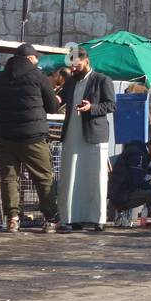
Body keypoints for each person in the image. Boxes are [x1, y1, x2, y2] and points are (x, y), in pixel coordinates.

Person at [0, 42, 61, 233]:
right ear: (31, 59)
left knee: (9, 178)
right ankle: (50, 219)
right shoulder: (39, 77)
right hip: (32, 136)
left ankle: (12, 219)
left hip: (5, 137)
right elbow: (52, 108)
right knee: (43, 177)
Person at [58, 48, 116, 232]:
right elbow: (59, 100)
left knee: (95, 177)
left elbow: (111, 105)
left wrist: (92, 107)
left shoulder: (102, 80)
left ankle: (97, 219)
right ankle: (71, 217)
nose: (74, 69)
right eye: (72, 66)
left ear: (86, 61)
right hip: (72, 134)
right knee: (71, 176)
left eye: (77, 65)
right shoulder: (70, 81)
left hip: (94, 135)